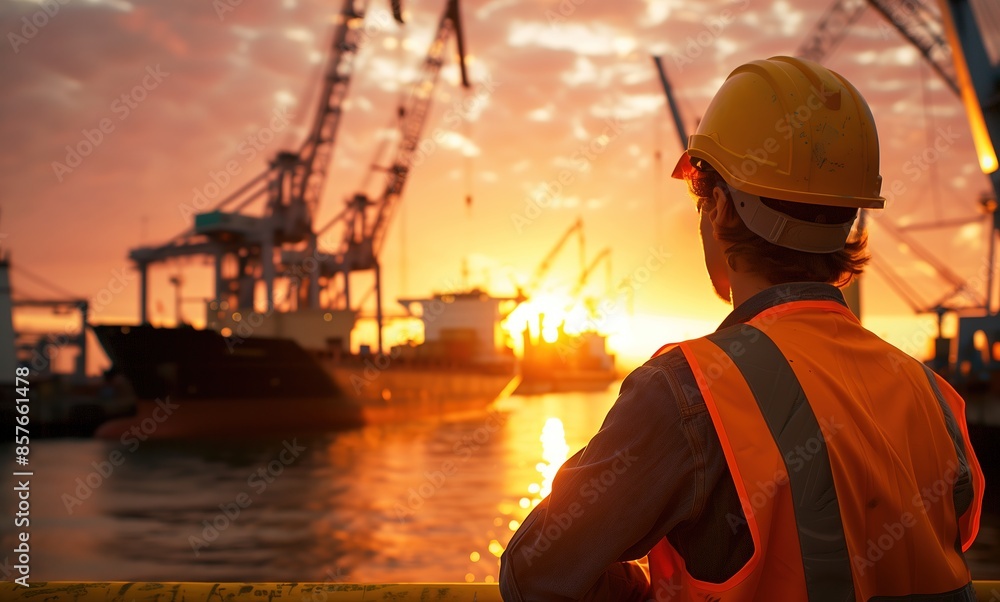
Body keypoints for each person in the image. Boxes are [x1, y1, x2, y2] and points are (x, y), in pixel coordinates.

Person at [498, 56, 984, 601]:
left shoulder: (686, 392)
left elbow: (535, 571)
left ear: (723, 208)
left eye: (703, 197)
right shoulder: (931, 396)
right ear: (850, 215)